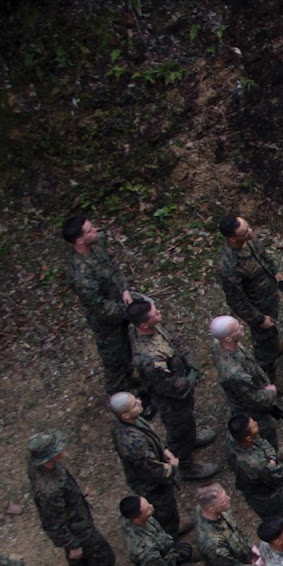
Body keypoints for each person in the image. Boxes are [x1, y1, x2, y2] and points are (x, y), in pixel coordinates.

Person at [26, 431, 131, 566]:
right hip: (76, 528)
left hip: (74, 520)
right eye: (56, 449)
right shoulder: (49, 491)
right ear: (48, 457)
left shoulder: (36, 464)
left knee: (80, 558)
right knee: (102, 555)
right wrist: (72, 543)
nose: (63, 449)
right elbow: (53, 523)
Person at [126, 298, 218, 481]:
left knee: (187, 424)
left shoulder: (150, 327)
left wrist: (189, 361)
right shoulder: (150, 360)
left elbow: (174, 342)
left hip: (178, 382)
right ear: (143, 324)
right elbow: (174, 387)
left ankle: (191, 438)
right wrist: (192, 377)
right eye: (154, 313)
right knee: (178, 431)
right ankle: (186, 466)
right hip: (171, 400)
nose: (159, 312)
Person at [62, 214, 134, 393]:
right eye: (90, 230)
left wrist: (124, 290)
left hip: (121, 307)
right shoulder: (80, 275)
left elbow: (113, 268)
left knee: (129, 351)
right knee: (114, 363)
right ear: (79, 240)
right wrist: (127, 311)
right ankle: (121, 404)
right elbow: (100, 308)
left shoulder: (96, 248)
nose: (95, 231)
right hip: (107, 325)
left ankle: (134, 387)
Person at [217, 215, 283, 383]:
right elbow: (236, 301)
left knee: (273, 328)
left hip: (269, 297)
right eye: (244, 232)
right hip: (257, 308)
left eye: (248, 227)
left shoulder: (249, 239)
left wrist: (275, 272)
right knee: (263, 346)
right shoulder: (229, 266)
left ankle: (274, 345)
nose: (250, 232)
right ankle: (270, 380)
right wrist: (259, 319)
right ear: (232, 238)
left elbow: (263, 256)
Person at [210, 315, 283, 453]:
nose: (241, 326)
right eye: (236, 328)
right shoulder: (234, 373)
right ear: (228, 339)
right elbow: (255, 399)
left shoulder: (221, 344)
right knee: (265, 432)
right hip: (252, 409)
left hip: (248, 388)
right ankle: (272, 456)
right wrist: (271, 392)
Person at [109, 391, 184, 537]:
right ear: (125, 415)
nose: (140, 401)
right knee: (164, 511)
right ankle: (172, 536)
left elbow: (150, 437)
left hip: (149, 470)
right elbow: (152, 470)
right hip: (151, 485)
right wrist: (173, 467)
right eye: (134, 404)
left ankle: (174, 526)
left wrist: (163, 450)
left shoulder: (129, 420)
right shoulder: (133, 443)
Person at [227, 414, 283, 529]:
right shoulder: (258, 464)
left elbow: (260, 442)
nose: (256, 423)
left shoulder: (234, 438)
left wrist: (271, 456)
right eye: (254, 426)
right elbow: (279, 478)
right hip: (267, 498)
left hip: (250, 484)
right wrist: (273, 461)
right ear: (248, 438)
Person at [119, 494, 194, 566]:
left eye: (148, 504)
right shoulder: (147, 553)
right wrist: (174, 559)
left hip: (161, 542)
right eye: (147, 510)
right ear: (137, 520)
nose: (151, 507)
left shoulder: (128, 517)